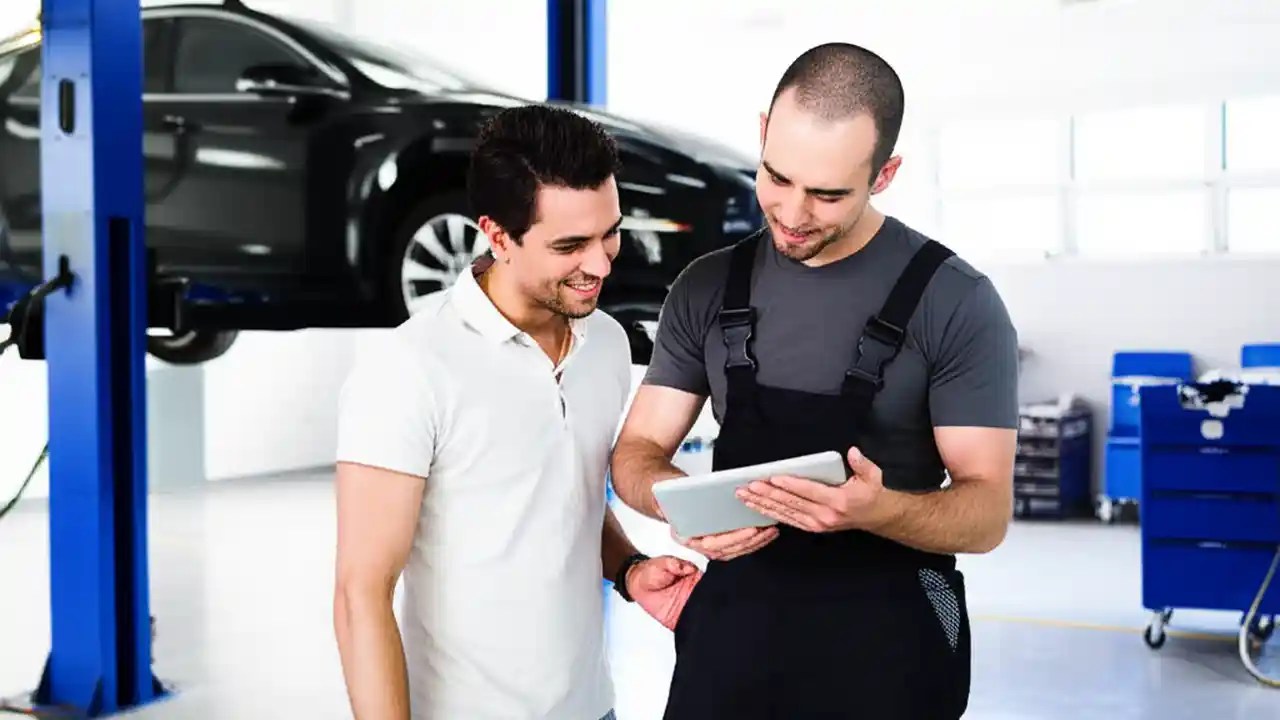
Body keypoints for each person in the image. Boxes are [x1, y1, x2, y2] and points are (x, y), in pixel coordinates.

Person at [610, 42, 1019, 719]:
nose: (794, 214)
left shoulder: (956, 302)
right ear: (764, 130)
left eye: (828, 194)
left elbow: (986, 515)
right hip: (733, 641)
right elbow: (634, 455)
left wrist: (878, 511)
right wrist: (682, 506)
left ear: (884, 174)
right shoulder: (707, 288)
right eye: (777, 178)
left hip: (890, 648)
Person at [332, 104, 701, 720]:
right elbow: (360, 595)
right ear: (497, 236)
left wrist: (630, 568)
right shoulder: (409, 368)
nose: (602, 263)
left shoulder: (605, 342)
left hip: (593, 708)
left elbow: (568, 497)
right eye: (570, 245)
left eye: (608, 232)